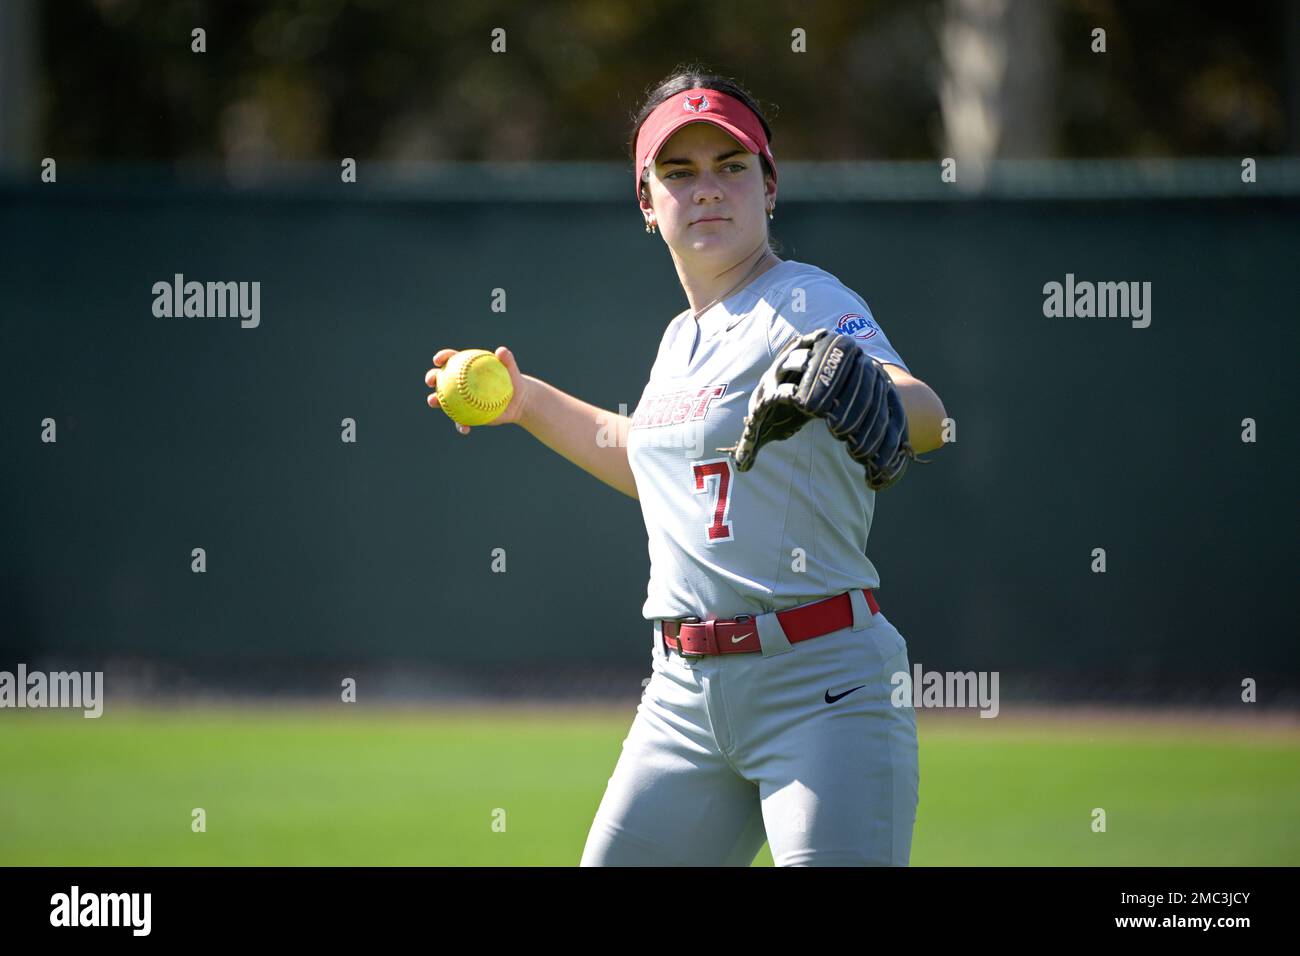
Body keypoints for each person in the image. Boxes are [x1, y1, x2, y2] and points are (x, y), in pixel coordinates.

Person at [425, 67, 948, 866]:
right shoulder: (681, 340)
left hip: (821, 687)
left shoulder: (802, 301)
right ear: (647, 202)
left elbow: (930, 416)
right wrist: (525, 402)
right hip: (683, 696)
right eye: (679, 172)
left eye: (731, 167)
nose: (707, 189)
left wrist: (867, 385)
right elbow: (651, 471)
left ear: (769, 189)